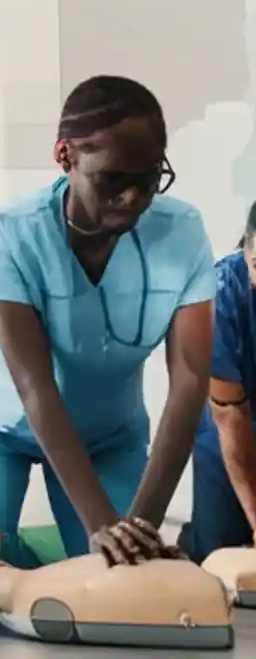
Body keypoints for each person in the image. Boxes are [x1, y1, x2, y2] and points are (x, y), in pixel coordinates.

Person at [0, 76, 214, 569]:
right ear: (65, 157)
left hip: (107, 437)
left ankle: (38, 560)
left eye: (148, 181)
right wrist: (100, 523)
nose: (132, 198)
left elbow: (188, 385)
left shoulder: (181, 232)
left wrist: (137, 528)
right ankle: (1, 551)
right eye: (113, 179)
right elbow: (35, 387)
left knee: (134, 580)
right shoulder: (12, 231)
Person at [182, 201, 256, 561]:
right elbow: (230, 417)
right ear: (248, 249)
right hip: (228, 420)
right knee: (219, 555)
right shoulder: (219, 295)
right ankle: (192, 542)